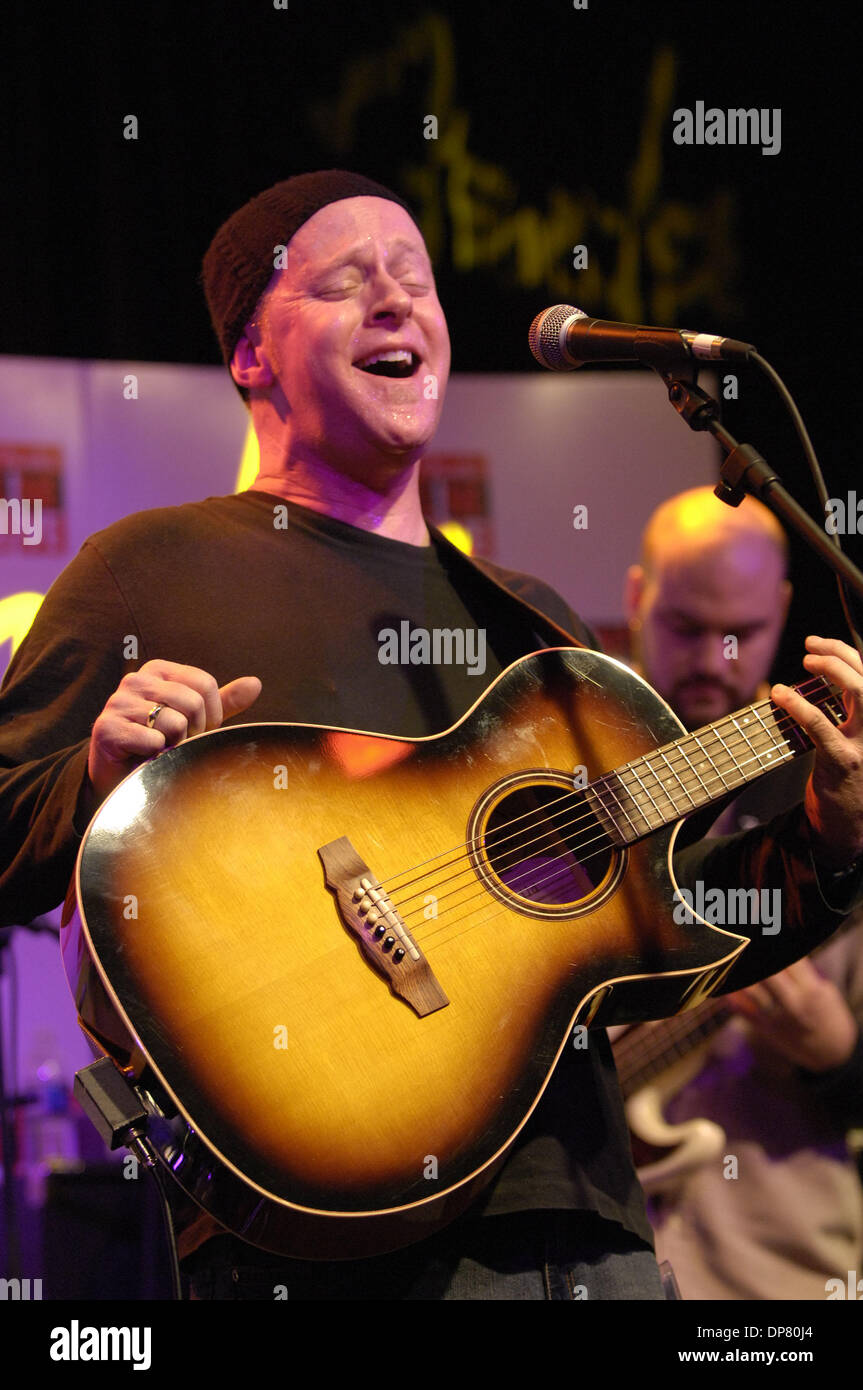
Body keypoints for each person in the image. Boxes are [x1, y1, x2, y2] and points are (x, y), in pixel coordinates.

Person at [1, 172, 862, 1301]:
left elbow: (658, 939)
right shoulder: (149, 568)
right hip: (321, 1240)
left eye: (414, 277)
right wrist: (95, 771)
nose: (397, 301)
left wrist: (831, 837)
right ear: (250, 353)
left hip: (592, 1233)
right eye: (347, 281)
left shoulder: (533, 624)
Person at [623, 487, 863, 1299]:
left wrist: (839, 1056)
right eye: (686, 627)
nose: (714, 660)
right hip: (599, 1259)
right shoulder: (568, 762)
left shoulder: (843, 785)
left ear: (785, 610)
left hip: (776, 1272)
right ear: (635, 597)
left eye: (743, 633)